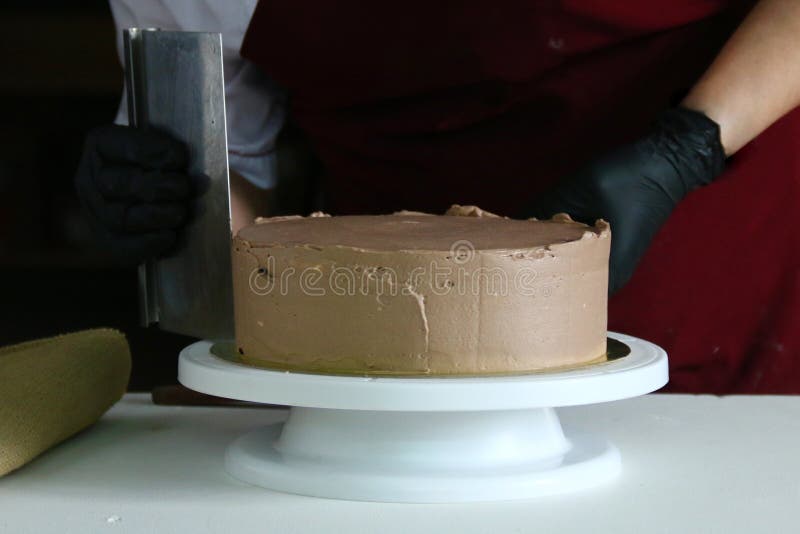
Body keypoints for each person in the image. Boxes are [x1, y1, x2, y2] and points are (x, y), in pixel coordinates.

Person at [76, 0, 800, 394]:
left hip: (733, 251)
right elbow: (236, 180)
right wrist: (173, 196)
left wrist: (688, 147)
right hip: (386, 355)